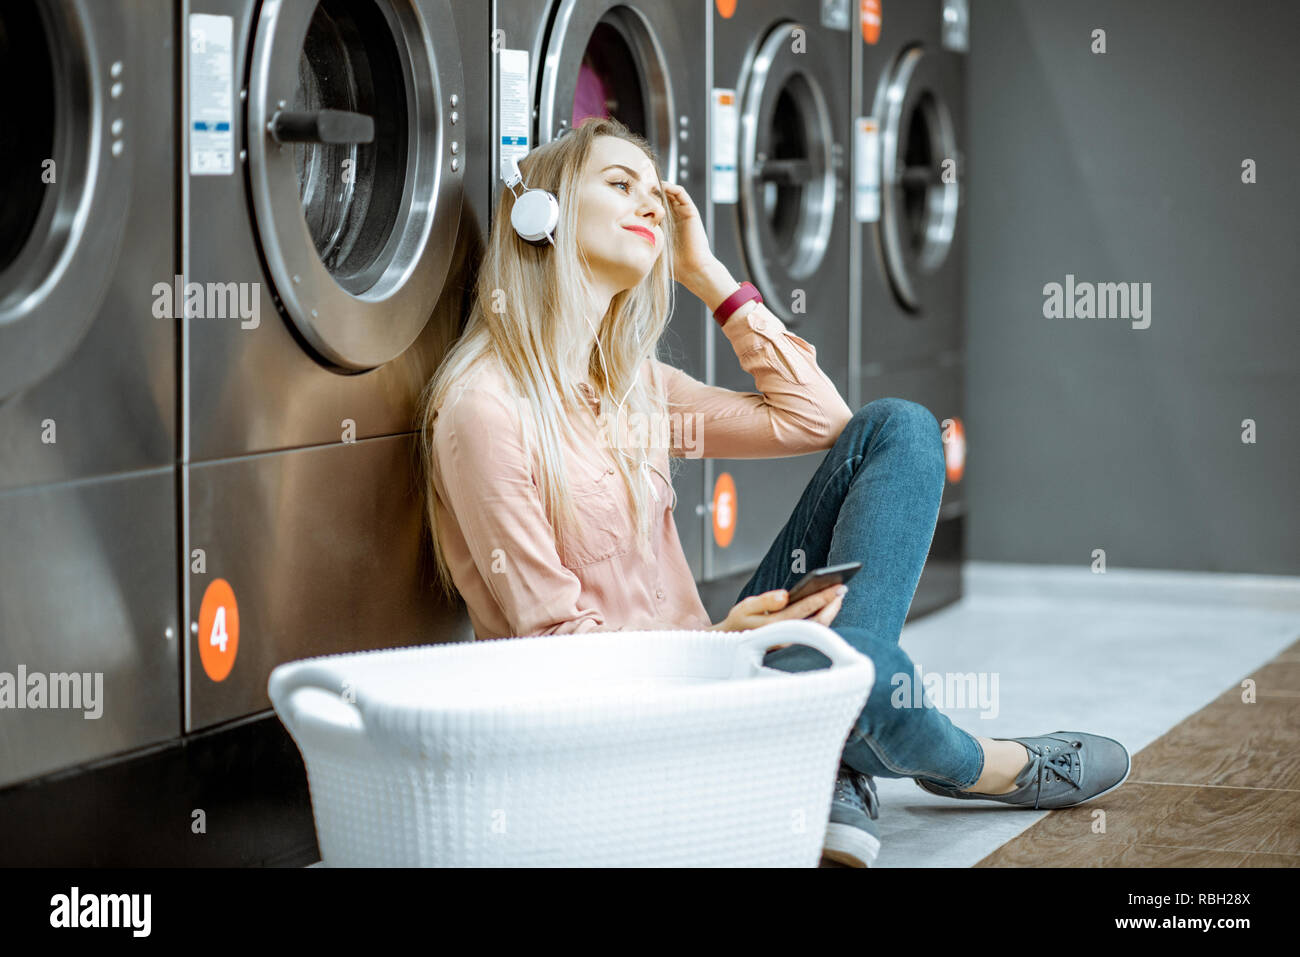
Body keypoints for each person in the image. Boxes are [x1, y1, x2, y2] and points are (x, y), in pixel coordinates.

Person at [417, 117, 1129, 868]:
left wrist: (712, 281)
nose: (651, 204)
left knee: (901, 428)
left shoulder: (633, 393)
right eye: (620, 184)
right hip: (631, 721)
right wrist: (722, 641)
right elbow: (554, 650)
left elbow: (816, 419)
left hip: (715, 667)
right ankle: (984, 763)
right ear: (543, 215)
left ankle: (835, 757)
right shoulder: (485, 408)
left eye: (653, 191)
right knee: (870, 671)